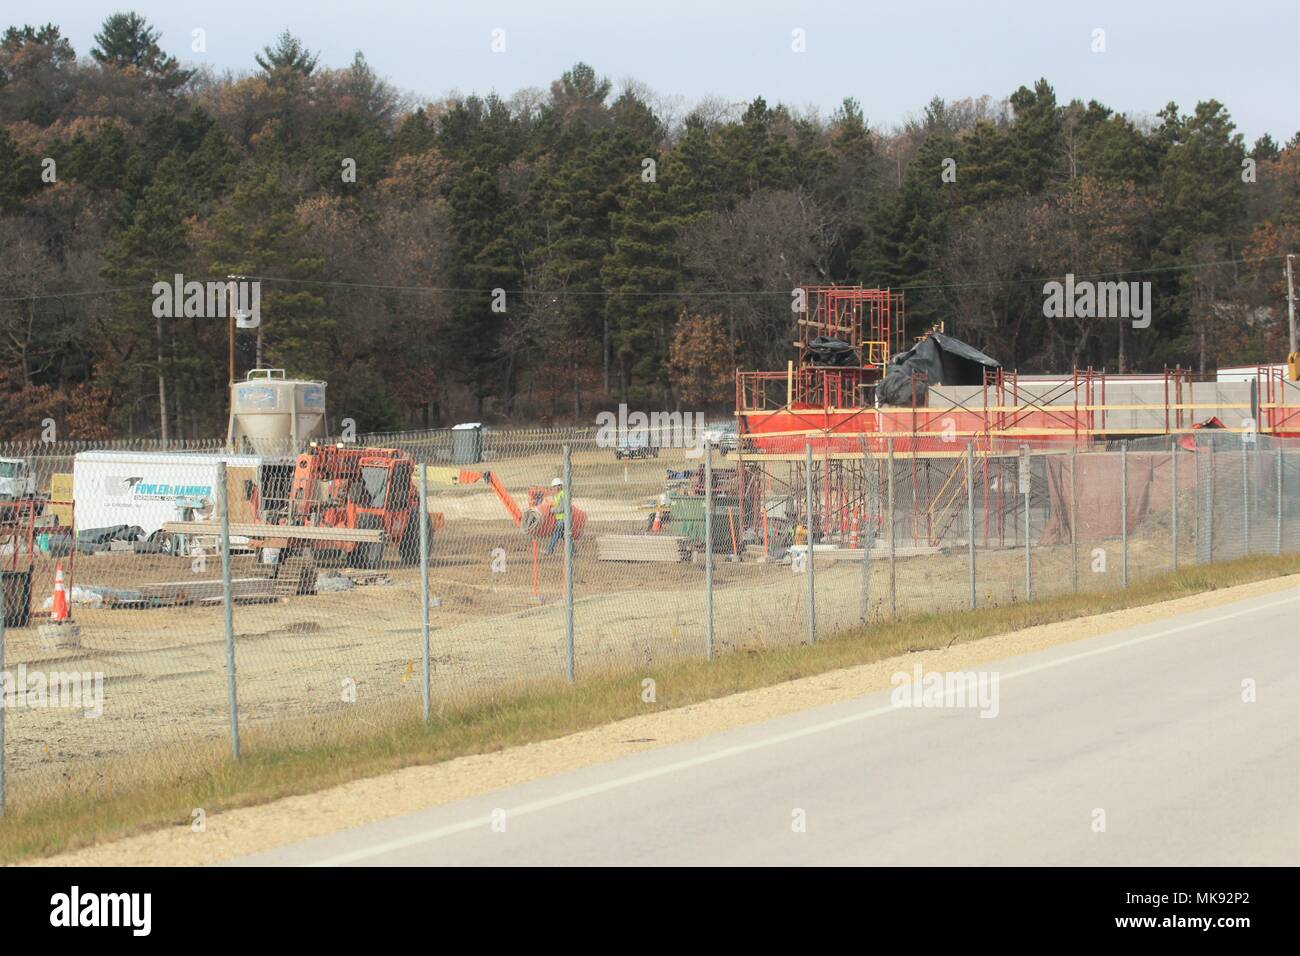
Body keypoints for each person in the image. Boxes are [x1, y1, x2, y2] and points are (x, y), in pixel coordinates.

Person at [546, 477, 567, 555]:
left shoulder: (562, 495)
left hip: (562, 520)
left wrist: (552, 510)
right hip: (562, 520)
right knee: (565, 536)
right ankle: (572, 551)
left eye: (554, 487)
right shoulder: (558, 495)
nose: (553, 489)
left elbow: (562, 508)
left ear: (558, 486)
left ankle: (549, 550)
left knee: (555, 534)